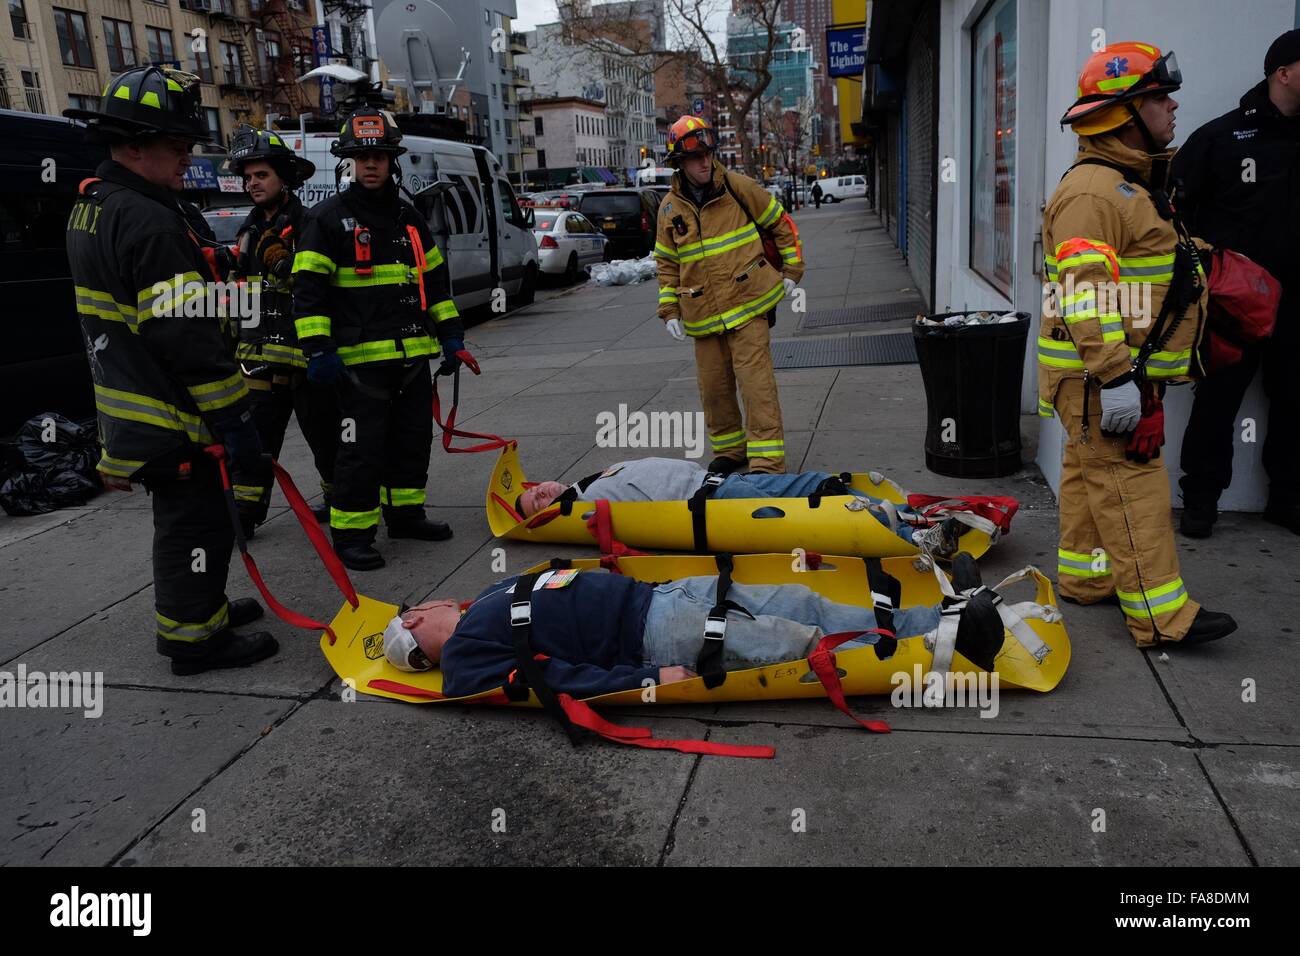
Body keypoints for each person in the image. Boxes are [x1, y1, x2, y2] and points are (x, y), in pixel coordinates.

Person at [63, 66, 277, 674]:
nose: (188, 160)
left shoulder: (96, 204)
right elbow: (185, 334)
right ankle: (194, 640)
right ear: (132, 145)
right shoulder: (150, 221)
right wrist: (235, 416)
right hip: (172, 411)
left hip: (134, 401)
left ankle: (202, 608)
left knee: (193, 519)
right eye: (177, 148)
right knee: (197, 522)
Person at [1042, 43, 1236, 648]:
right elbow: (1083, 296)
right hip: (1106, 377)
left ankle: (1087, 578)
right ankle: (1161, 618)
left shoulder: (1123, 184)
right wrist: (1117, 378)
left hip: (1103, 375)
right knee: (1132, 485)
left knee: (1086, 475)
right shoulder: (1097, 195)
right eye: (1158, 96)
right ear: (1125, 112)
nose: (1172, 105)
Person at [380, 555, 1009, 699]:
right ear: (416, 624)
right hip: (654, 633)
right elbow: (554, 681)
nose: (433, 606)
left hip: (660, 596)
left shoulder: (485, 600)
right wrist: (650, 679)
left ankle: (948, 616)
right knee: (791, 644)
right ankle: (942, 648)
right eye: (420, 612)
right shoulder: (466, 661)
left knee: (800, 602)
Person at [292, 109, 468, 571]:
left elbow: (434, 284)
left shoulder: (410, 219)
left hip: (410, 360)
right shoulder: (326, 219)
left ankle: (406, 516)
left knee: (412, 443)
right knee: (359, 451)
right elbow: (307, 293)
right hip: (356, 368)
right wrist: (319, 350)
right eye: (361, 156)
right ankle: (351, 535)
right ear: (348, 162)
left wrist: (451, 336)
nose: (370, 164)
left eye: (380, 155)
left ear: (393, 161)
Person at [1172, 29, 1300, 538]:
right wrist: (1202, 276)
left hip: (1298, 302)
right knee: (1218, 399)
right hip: (1236, 300)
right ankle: (1200, 501)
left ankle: (1287, 500)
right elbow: (1175, 213)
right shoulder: (1221, 137)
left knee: (1294, 399)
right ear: (1283, 72)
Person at [654, 115, 804, 475]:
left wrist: (792, 272)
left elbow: (781, 224)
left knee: (757, 387)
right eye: (695, 157)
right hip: (702, 315)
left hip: (748, 305)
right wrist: (670, 310)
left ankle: (767, 462)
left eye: (708, 154)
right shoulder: (669, 210)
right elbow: (666, 264)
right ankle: (731, 452)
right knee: (715, 391)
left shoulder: (738, 187)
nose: (705, 162)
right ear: (679, 163)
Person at [225, 124, 339, 538]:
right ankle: (246, 516)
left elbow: (317, 287)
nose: (253, 183)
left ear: (283, 178)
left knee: (326, 440)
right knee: (254, 446)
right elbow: (239, 296)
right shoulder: (248, 232)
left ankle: (340, 503)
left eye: (262, 175)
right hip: (256, 361)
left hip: (306, 360)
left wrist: (285, 263)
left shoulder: (312, 225)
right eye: (248, 177)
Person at [512, 457, 968, 556]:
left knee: (820, 486)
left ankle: (911, 516)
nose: (539, 495)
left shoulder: (593, 477)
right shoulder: (579, 503)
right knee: (817, 511)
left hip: (721, 483)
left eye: (534, 489)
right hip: (714, 502)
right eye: (532, 504)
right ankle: (917, 539)